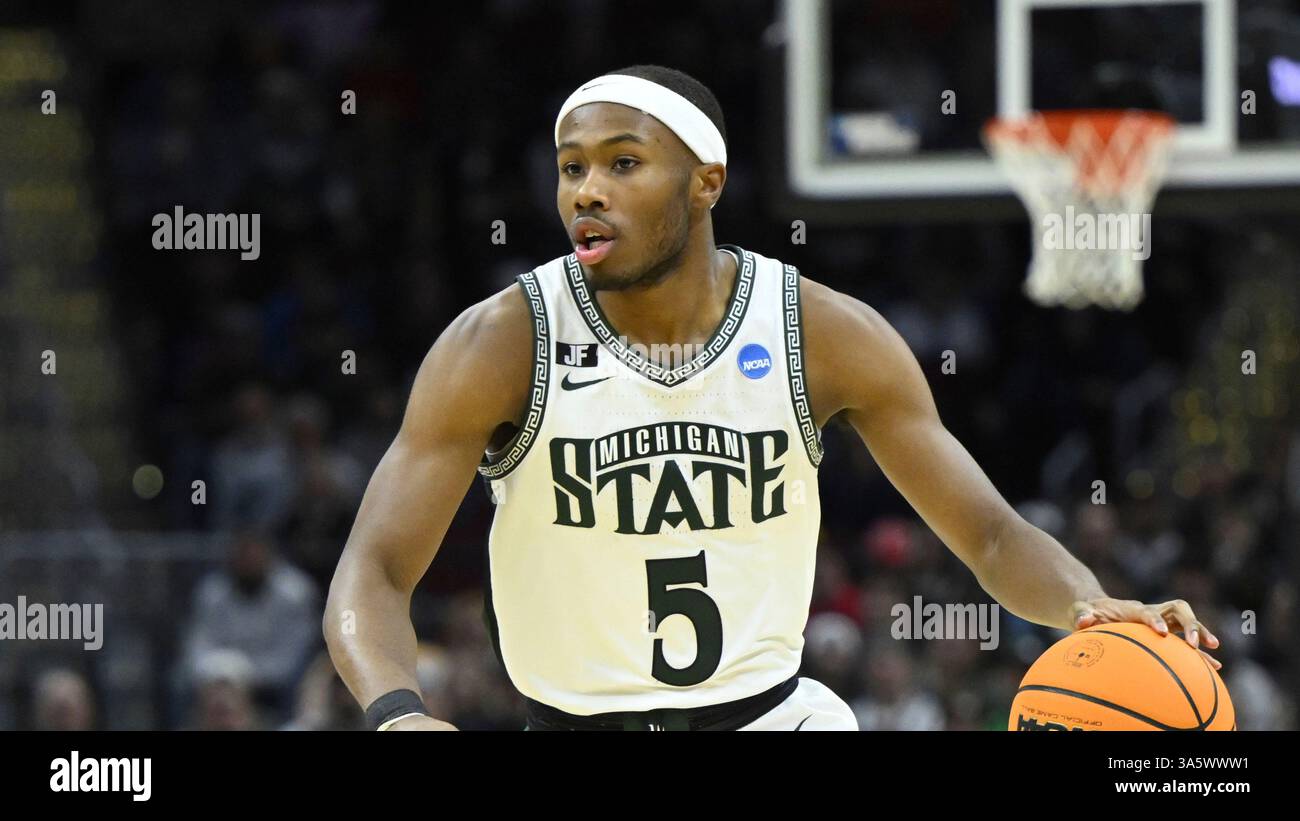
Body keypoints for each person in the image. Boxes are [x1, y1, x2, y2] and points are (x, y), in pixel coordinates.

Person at [324, 65, 1220, 731]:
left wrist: (1091, 602)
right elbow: (372, 572)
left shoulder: (822, 332)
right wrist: (397, 710)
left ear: (706, 181)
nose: (587, 191)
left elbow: (986, 532)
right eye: (571, 168)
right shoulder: (501, 342)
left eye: (623, 163)